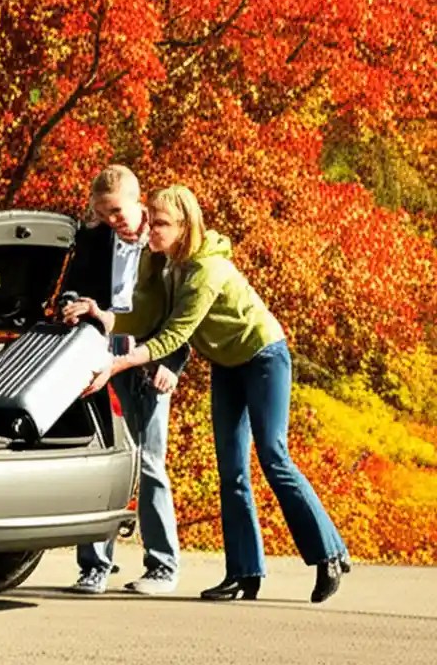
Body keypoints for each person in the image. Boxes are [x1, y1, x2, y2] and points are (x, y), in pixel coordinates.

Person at [65, 184, 351, 603]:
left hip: (264, 356)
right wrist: (103, 316)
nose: (151, 230)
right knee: (231, 470)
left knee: (273, 456)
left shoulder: (205, 269)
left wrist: (117, 364)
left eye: (161, 224)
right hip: (226, 364)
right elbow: (143, 315)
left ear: (184, 227)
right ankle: (244, 574)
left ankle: (329, 553)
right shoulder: (162, 261)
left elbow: (174, 334)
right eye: (152, 221)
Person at [64, 165, 191, 596]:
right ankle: (94, 567)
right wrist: (72, 305)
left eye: (117, 211)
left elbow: (185, 311)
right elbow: (73, 285)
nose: (112, 220)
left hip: (153, 356)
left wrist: (173, 362)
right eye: (103, 213)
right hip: (102, 352)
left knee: (150, 461)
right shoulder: (94, 239)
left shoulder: (165, 239)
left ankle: (162, 566)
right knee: (101, 457)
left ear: (139, 201)